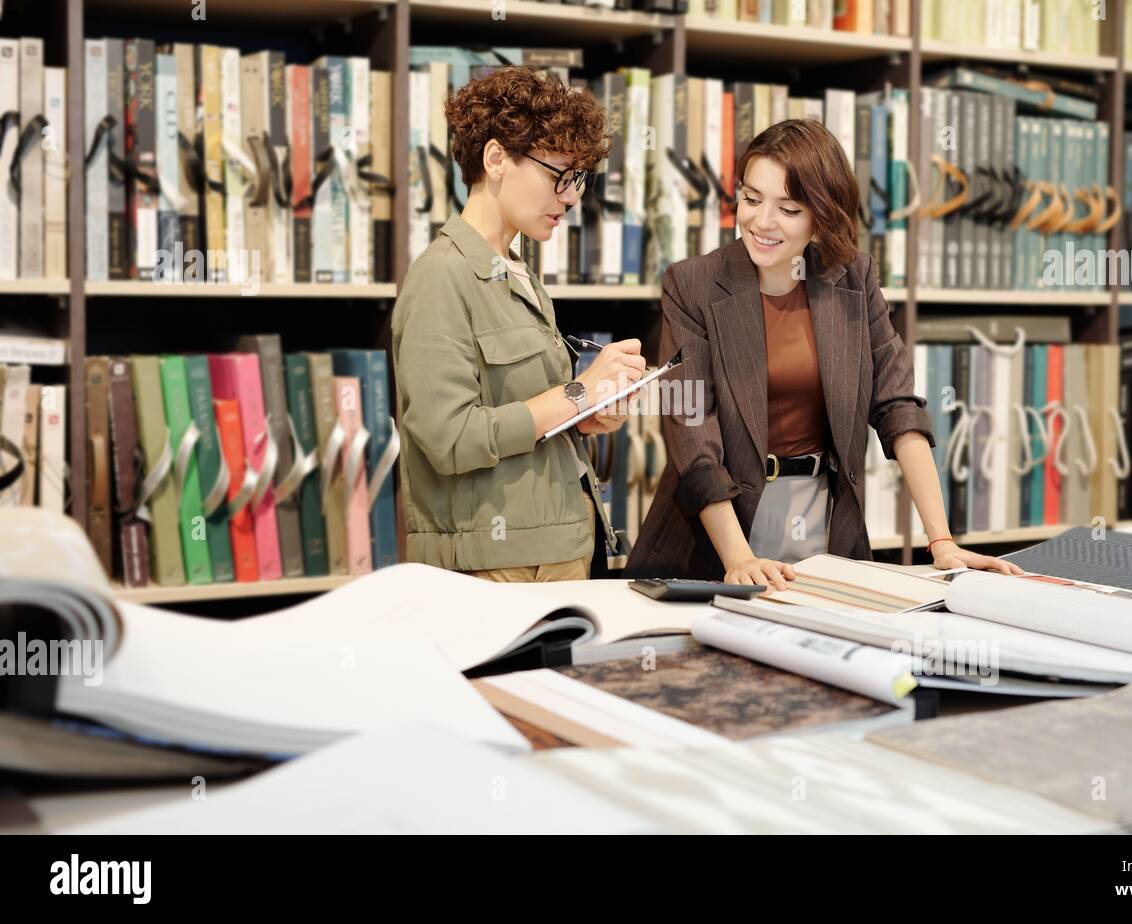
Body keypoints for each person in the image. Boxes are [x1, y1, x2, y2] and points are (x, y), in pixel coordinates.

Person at [624, 119, 1024, 588]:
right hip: (713, 538)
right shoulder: (692, 284)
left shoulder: (852, 278)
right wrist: (738, 559)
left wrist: (942, 542)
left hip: (825, 521)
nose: (762, 222)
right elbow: (692, 432)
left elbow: (896, 406)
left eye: (788, 209)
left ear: (821, 215)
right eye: (751, 199)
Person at [391, 66, 645, 581]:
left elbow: (522, 416)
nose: (571, 197)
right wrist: (577, 392)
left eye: (578, 180)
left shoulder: (519, 273)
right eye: (559, 176)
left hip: (559, 548)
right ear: (496, 159)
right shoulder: (441, 276)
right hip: (497, 569)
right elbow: (451, 438)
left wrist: (586, 413)